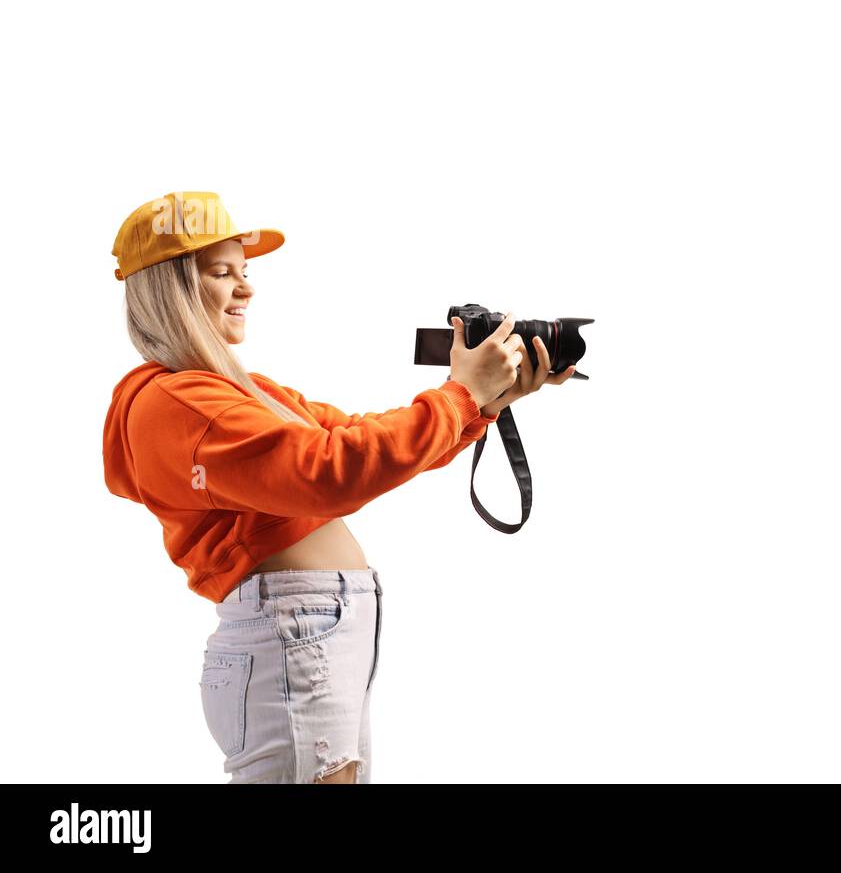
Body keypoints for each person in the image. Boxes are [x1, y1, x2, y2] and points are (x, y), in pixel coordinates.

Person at [102, 191, 576, 783]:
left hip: (310, 636)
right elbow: (329, 472)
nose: (246, 288)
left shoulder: (242, 390)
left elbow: (362, 441)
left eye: (244, 272)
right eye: (222, 273)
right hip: (292, 636)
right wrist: (462, 396)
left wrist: (482, 402)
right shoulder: (178, 402)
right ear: (168, 289)